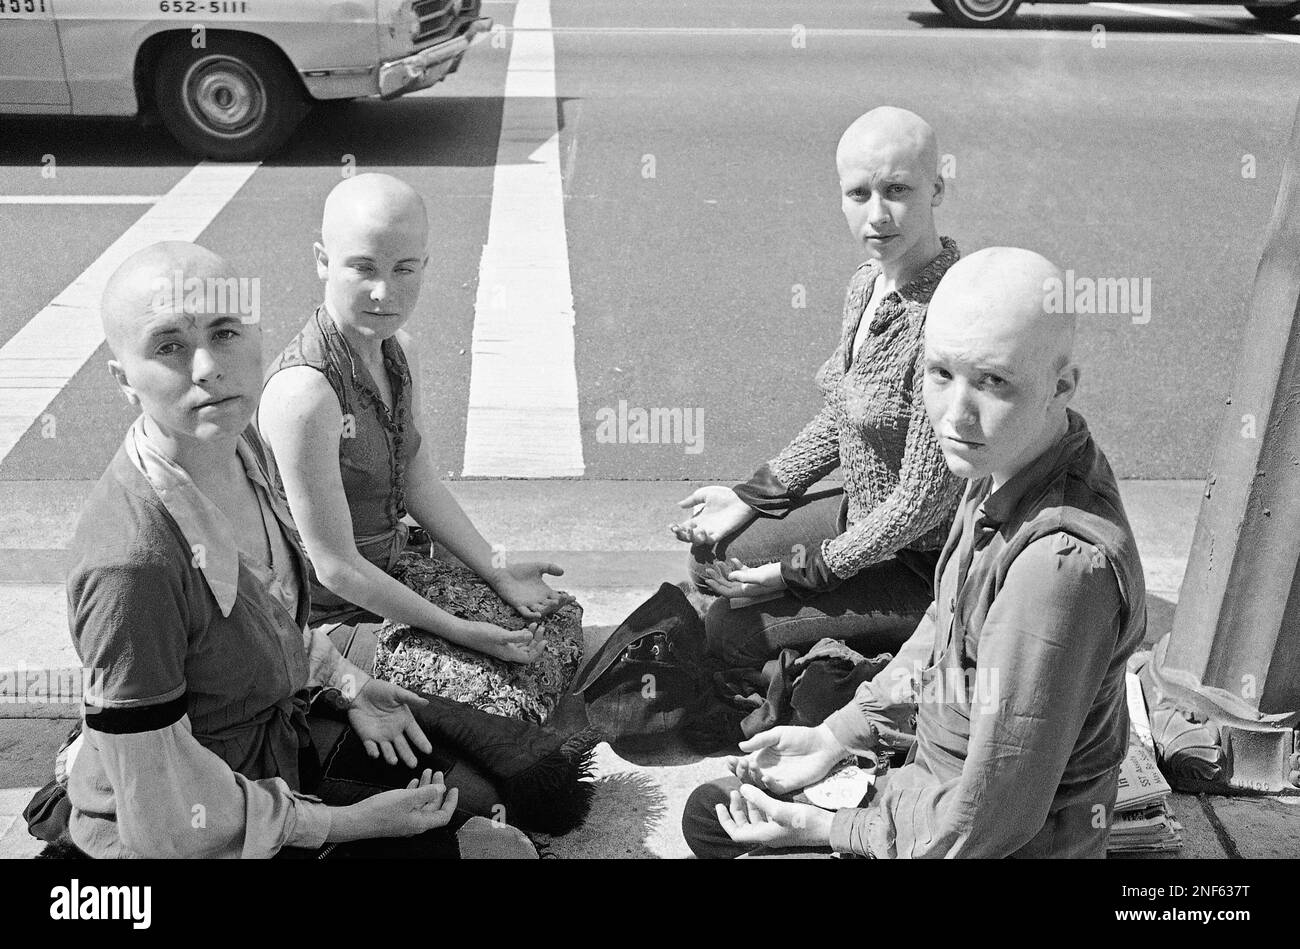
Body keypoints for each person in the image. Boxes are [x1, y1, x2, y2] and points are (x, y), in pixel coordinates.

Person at [60, 241, 545, 858]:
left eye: (225, 331)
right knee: (499, 851)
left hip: (271, 747)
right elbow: (165, 821)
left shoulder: (239, 444)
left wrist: (347, 685)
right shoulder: (130, 565)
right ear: (122, 379)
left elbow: (271, 613)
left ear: (257, 336)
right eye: (169, 346)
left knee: (499, 788)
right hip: (205, 825)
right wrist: (351, 824)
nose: (208, 366)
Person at [681, 247, 1148, 858]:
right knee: (713, 816)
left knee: (731, 823)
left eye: (994, 381)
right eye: (940, 373)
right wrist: (838, 735)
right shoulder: (1005, 458)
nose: (955, 414)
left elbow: (985, 825)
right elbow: (943, 629)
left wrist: (830, 829)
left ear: (1061, 385)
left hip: (970, 838)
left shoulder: (1056, 571)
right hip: (926, 784)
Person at [259, 174, 582, 722]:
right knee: (511, 702)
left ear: (425, 265)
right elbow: (336, 570)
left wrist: (495, 570)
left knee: (555, 625)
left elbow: (416, 477)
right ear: (322, 260)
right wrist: (459, 631)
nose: (385, 293)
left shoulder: (394, 349)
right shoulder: (306, 394)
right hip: (328, 621)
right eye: (363, 268)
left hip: (399, 572)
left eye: (403, 269)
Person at [671, 107, 964, 670]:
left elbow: (921, 504)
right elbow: (844, 413)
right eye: (858, 194)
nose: (877, 215)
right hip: (862, 515)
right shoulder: (866, 283)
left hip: (925, 562)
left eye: (897, 190)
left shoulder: (949, 317)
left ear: (937, 188)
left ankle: (887, 663)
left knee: (729, 634)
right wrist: (753, 494)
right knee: (711, 557)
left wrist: (798, 574)